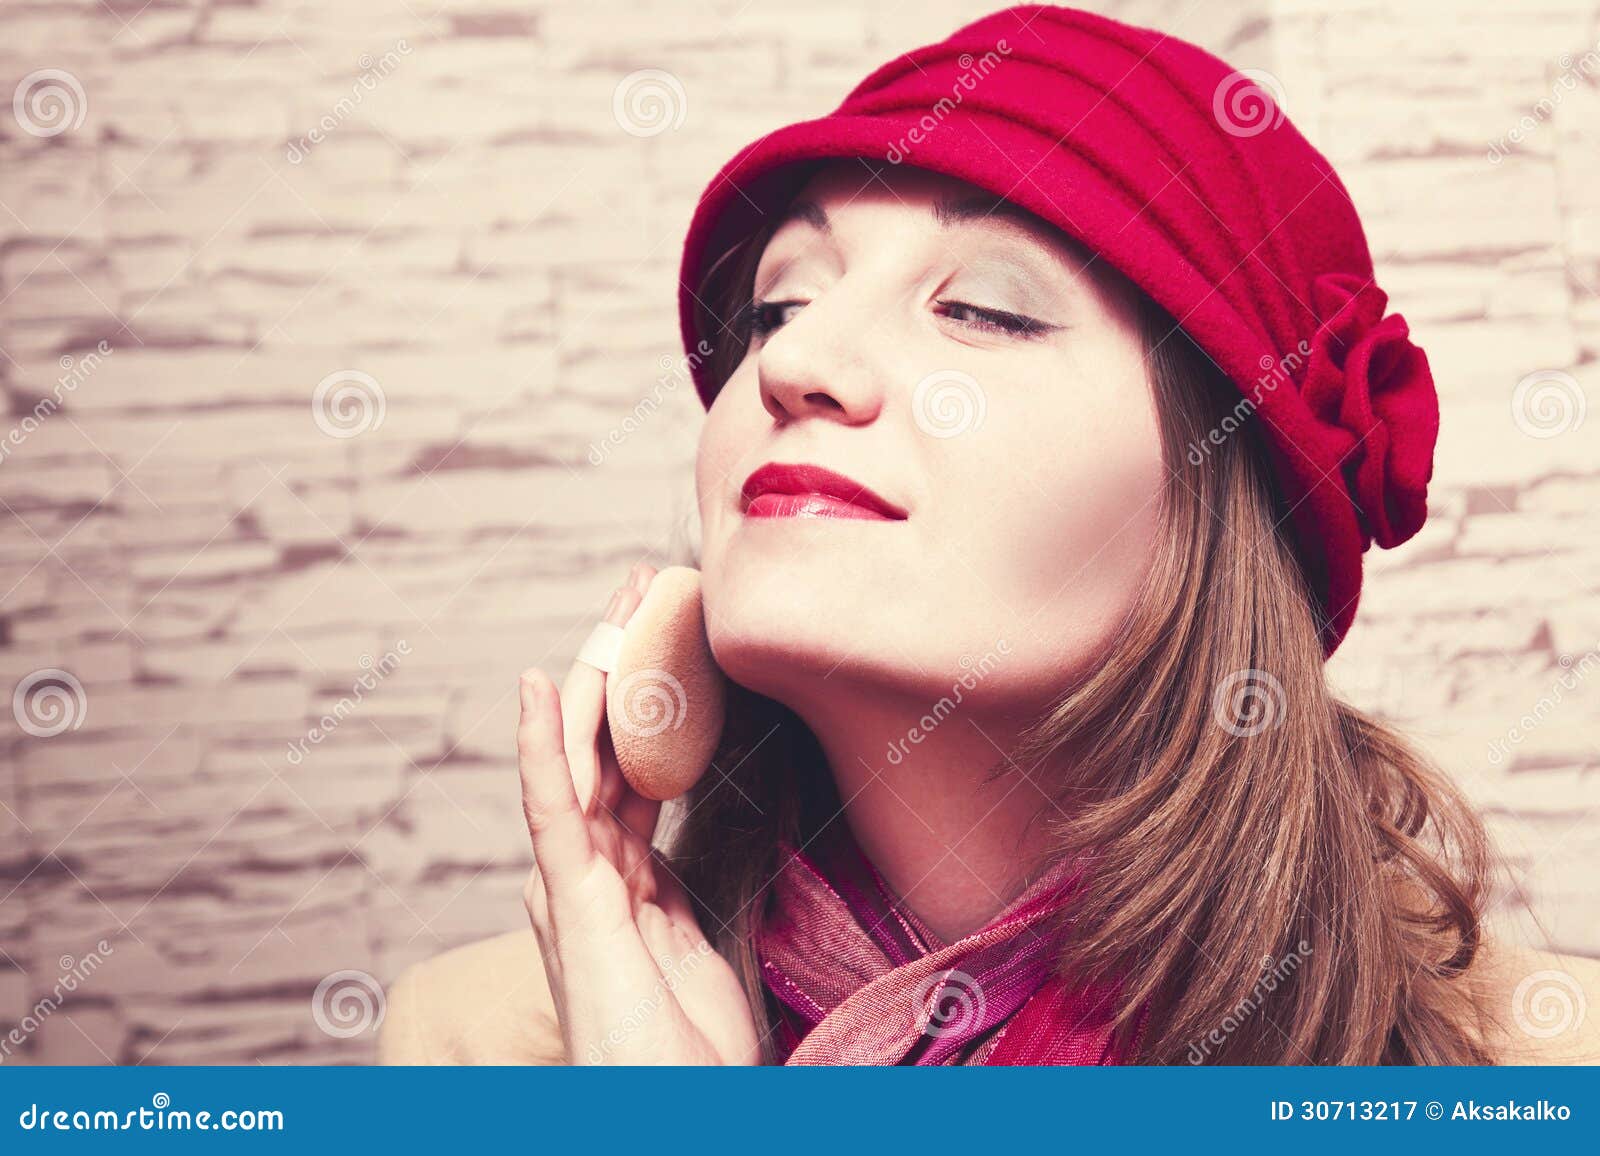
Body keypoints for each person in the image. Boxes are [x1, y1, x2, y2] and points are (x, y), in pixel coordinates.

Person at [380, 5, 1599, 1065]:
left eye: (980, 308)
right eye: (776, 304)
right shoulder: (478, 1047)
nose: (792, 361)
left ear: (1218, 492)